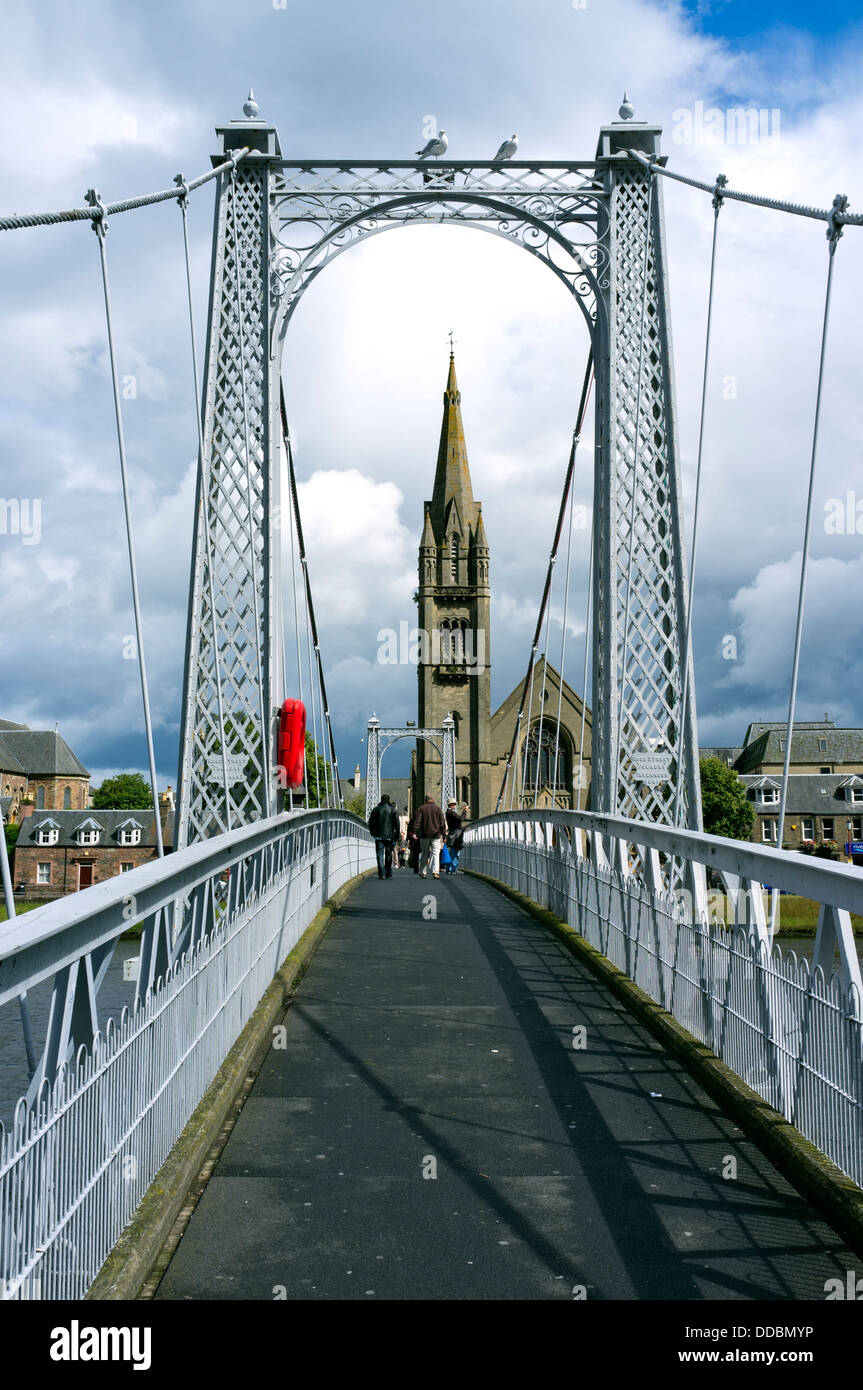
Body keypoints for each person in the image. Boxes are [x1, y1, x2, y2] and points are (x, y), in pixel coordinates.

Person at [409, 794, 447, 879]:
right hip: (436, 835)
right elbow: (442, 823)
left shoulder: (421, 809)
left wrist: (414, 832)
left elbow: (417, 822)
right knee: (436, 854)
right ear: (433, 800)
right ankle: (436, 872)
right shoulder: (438, 809)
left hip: (424, 835)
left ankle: (423, 872)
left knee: (424, 854)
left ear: (425, 800)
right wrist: (444, 835)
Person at [368, 793, 400, 879]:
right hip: (390, 836)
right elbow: (397, 824)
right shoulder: (393, 810)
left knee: (380, 854)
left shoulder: (376, 809)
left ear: (381, 800)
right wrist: (397, 835)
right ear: (389, 800)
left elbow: (371, 822)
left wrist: (372, 832)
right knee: (389, 854)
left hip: (378, 835)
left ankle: (381, 873)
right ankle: (388, 872)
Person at [444, 799, 464, 874]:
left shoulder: (449, 812)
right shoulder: (450, 812)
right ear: (451, 804)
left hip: (453, 833)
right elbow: (460, 819)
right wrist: (464, 811)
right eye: (454, 804)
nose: (455, 805)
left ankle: (453, 868)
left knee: (454, 851)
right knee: (454, 852)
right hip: (456, 834)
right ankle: (451, 868)